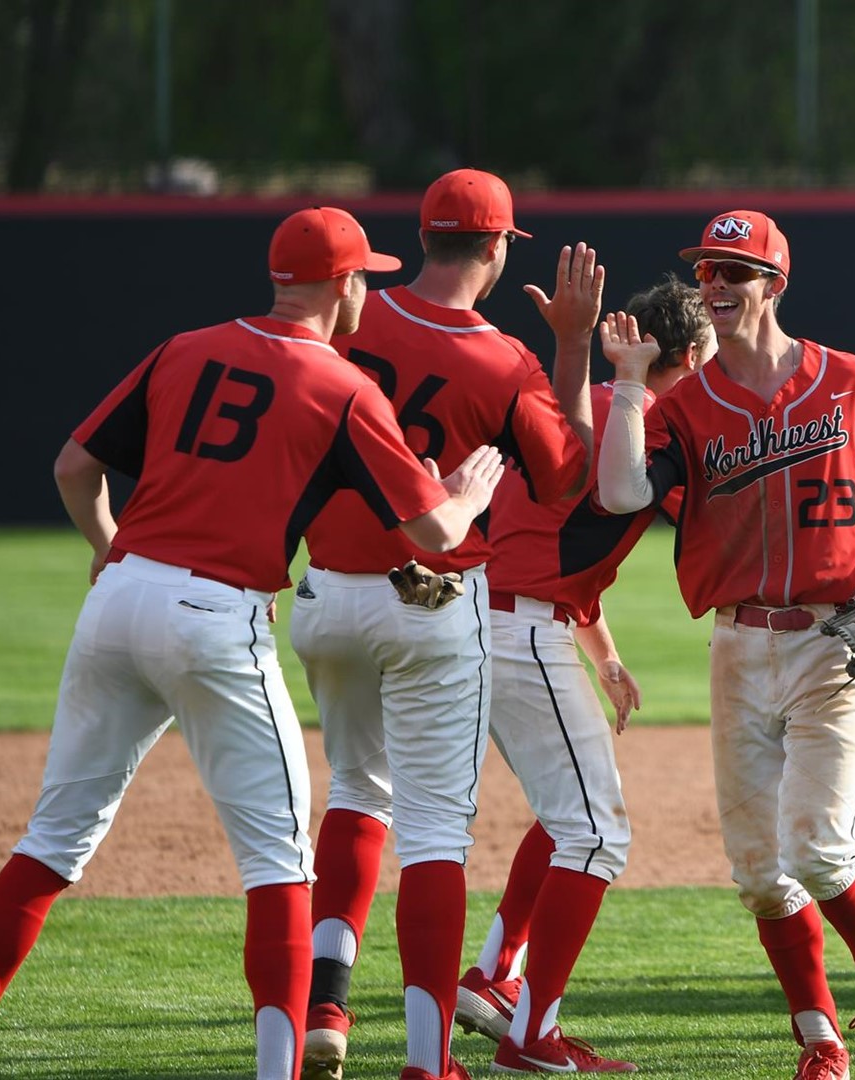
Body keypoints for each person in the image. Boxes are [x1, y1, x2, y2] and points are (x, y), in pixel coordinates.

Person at [0, 207, 504, 1080]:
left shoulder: (185, 347)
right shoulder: (341, 385)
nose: (366, 291)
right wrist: (471, 494)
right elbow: (435, 533)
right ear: (341, 284)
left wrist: (108, 546)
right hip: (215, 617)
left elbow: (73, 466)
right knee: (281, 866)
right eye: (362, 276)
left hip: (118, 601)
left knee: (52, 841)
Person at [596, 211, 855, 1080]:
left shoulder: (852, 380)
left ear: (774, 285)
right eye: (708, 271)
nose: (716, 285)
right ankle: (820, 1040)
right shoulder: (685, 405)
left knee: (818, 850)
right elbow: (622, 493)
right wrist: (632, 384)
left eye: (735, 272)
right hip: (739, 643)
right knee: (758, 873)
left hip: (836, 640)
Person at [292, 170, 597, 1080]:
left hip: (326, 592)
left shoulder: (348, 319)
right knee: (432, 834)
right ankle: (428, 1064)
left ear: (422, 238)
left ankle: (327, 1002)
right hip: (430, 599)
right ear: (497, 248)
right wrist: (571, 347)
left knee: (356, 793)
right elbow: (567, 480)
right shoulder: (504, 360)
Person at [452, 277, 713, 1075]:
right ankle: (532, 1033)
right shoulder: (649, 419)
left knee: (567, 816)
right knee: (597, 833)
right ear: (690, 357)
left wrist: (604, 656)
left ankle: (496, 976)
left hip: (491, 617)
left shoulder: (585, 406)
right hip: (519, 629)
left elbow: (553, 536)